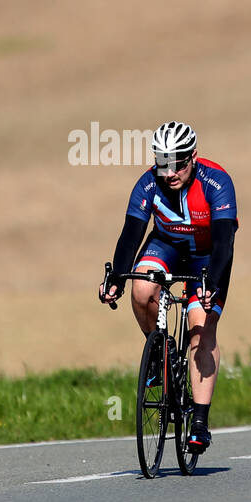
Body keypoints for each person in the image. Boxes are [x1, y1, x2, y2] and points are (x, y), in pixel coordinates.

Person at [98, 121, 239, 452]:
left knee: (201, 328)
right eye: (163, 163)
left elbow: (224, 244)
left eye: (178, 162)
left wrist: (213, 282)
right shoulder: (148, 185)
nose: (170, 171)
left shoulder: (217, 183)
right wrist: (116, 278)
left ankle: (200, 422)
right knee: (141, 289)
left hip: (207, 255)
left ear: (193, 157)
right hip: (167, 246)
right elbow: (131, 234)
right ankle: (161, 356)